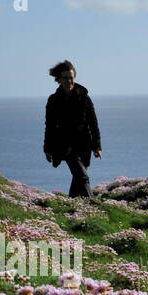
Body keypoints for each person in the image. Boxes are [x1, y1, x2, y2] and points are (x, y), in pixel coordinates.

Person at [43, 60, 102, 198]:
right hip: (65, 145)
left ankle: (70, 205)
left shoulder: (84, 98)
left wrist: (97, 146)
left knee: (78, 178)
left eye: (71, 77)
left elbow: (93, 124)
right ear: (58, 79)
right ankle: (91, 204)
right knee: (82, 177)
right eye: (66, 78)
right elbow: (49, 127)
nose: (70, 80)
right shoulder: (53, 100)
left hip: (84, 144)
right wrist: (47, 149)